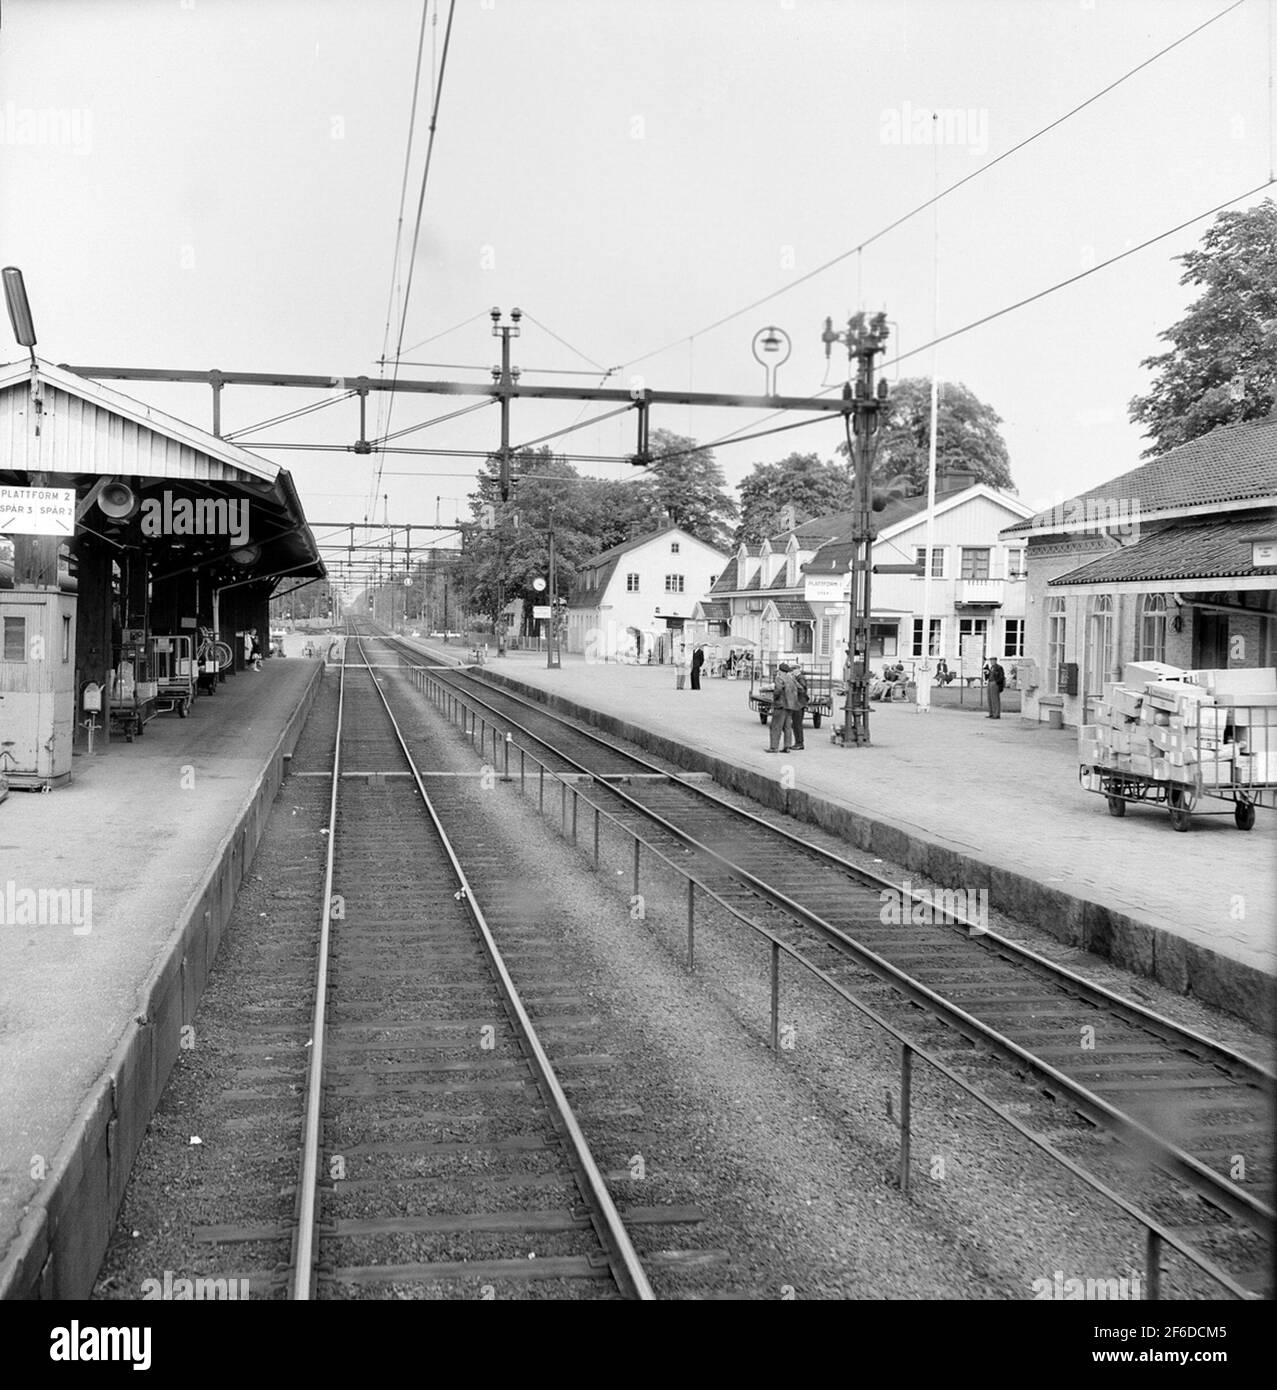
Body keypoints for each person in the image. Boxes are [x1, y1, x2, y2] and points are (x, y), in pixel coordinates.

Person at [766, 662, 800, 753]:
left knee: (775, 726)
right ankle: (787, 746)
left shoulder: (779, 678)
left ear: (780, 671)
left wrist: (775, 697)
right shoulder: (791, 678)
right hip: (790, 706)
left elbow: (778, 690)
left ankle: (774, 747)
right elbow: (799, 688)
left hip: (781, 705)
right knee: (787, 727)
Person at [790, 665, 809, 750]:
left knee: (797, 724)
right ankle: (798, 742)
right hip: (799, 703)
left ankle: (799, 743)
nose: (792, 672)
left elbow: (802, 689)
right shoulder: (799, 677)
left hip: (799, 704)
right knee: (796, 724)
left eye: (793, 670)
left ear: (797, 670)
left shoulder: (800, 678)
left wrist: (794, 682)